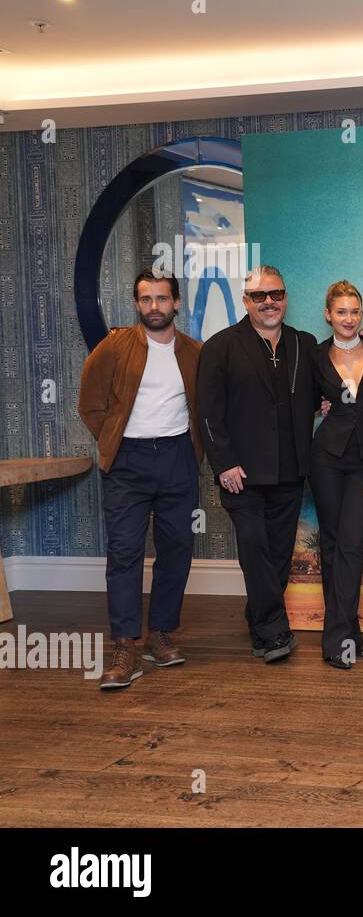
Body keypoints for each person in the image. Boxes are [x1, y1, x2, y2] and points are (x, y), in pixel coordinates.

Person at [78, 270, 203, 690]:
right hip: (127, 462)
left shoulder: (194, 351)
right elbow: (90, 403)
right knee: (124, 552)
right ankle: (126, 645)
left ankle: (161, 634)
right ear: (137, 303)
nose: (154, 307)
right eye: (146, 299)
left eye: (162, 299)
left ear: (176, 304)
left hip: (177, 457)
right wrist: (112, 438)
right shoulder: (115, 346)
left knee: (178, 548)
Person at [198, 266, 318, 664]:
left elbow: (325, 386)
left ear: (285, 297)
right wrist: (225, 464)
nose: (269, 301)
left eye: (277, 293)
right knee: (254, 551)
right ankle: (273, 632)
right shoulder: (220, 347)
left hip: (289, 471)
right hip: (241, 475)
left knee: (278, 555)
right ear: (245, 301)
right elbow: (207, 415)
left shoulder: (304, 343)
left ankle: (259, 621)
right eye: (259, 295)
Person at [309, 281, 363, 669]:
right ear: (328, 314)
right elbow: (301, 400)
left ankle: (339, 634)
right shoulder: (314, 354)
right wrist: (320, 405)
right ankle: (343, 634)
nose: (349, 318)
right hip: (326, 458)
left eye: (355, 311)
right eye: (341, 312)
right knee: (332, 543)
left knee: (352, 545)